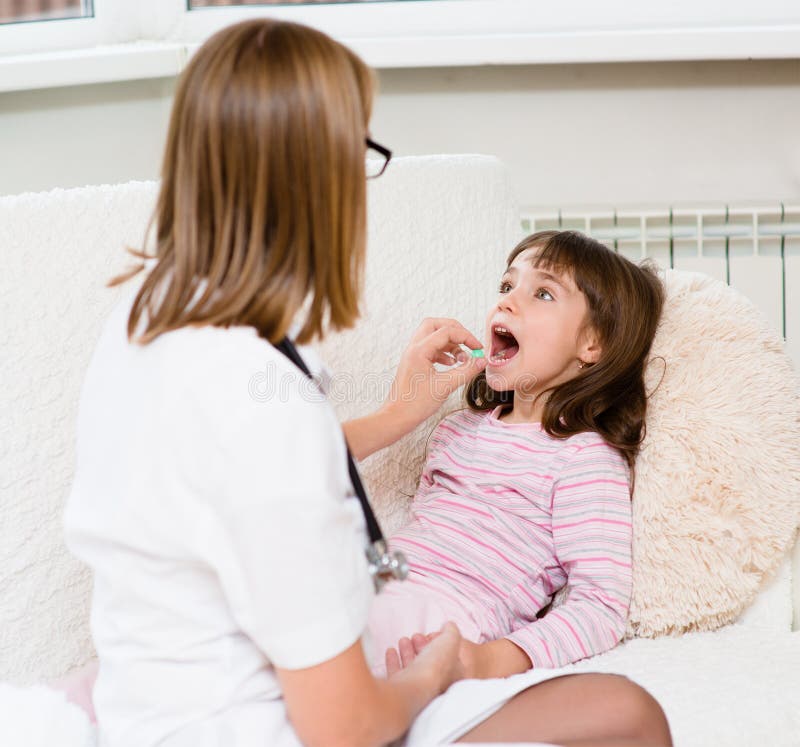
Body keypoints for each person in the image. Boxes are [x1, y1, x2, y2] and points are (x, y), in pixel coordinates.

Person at [60, 17, 673, 747]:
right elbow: (344, 722)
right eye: (359, 154)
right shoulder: (267, 402)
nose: (506, 299)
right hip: (299, 699)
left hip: (272, 655)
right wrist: (442, 669)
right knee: (630, 719)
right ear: (316, 181)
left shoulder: (145, 319)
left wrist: (396, 416)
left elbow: (249, 466)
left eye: (542, 294)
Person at [365, 230, 664, 685]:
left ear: (593, 345)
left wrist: (488, 660)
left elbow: (600, 605)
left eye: (542, 293)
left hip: (435, 626)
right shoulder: (455, 429)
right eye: (507, 287)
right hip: (369, 586)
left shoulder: (583, 457)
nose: (507, 302)